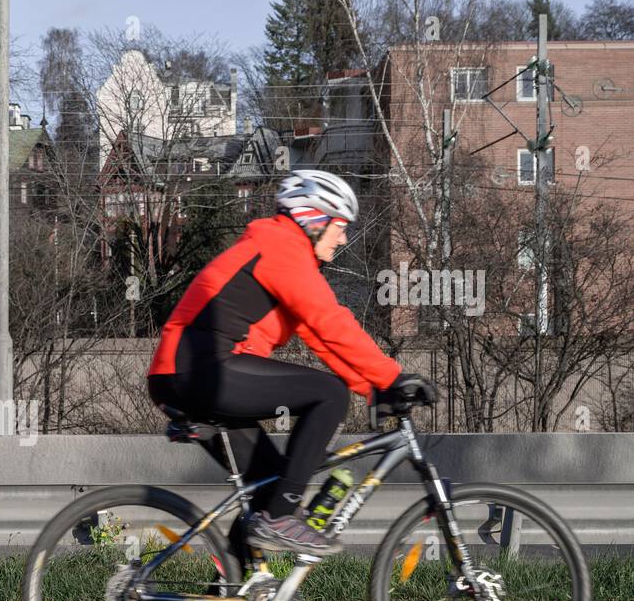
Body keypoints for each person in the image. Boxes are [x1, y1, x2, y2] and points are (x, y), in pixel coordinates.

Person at [147, 170, 435, 557]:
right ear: (315, 220)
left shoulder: (281, 252)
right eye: (340, 227)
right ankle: (282, 518)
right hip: (201, 369)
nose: (344, 238)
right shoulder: (282, 247)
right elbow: (330, 321)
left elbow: (320, 338)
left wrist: (375, 388)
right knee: (328, 395)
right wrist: (394, 376)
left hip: (189, 374)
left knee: (268, 488)